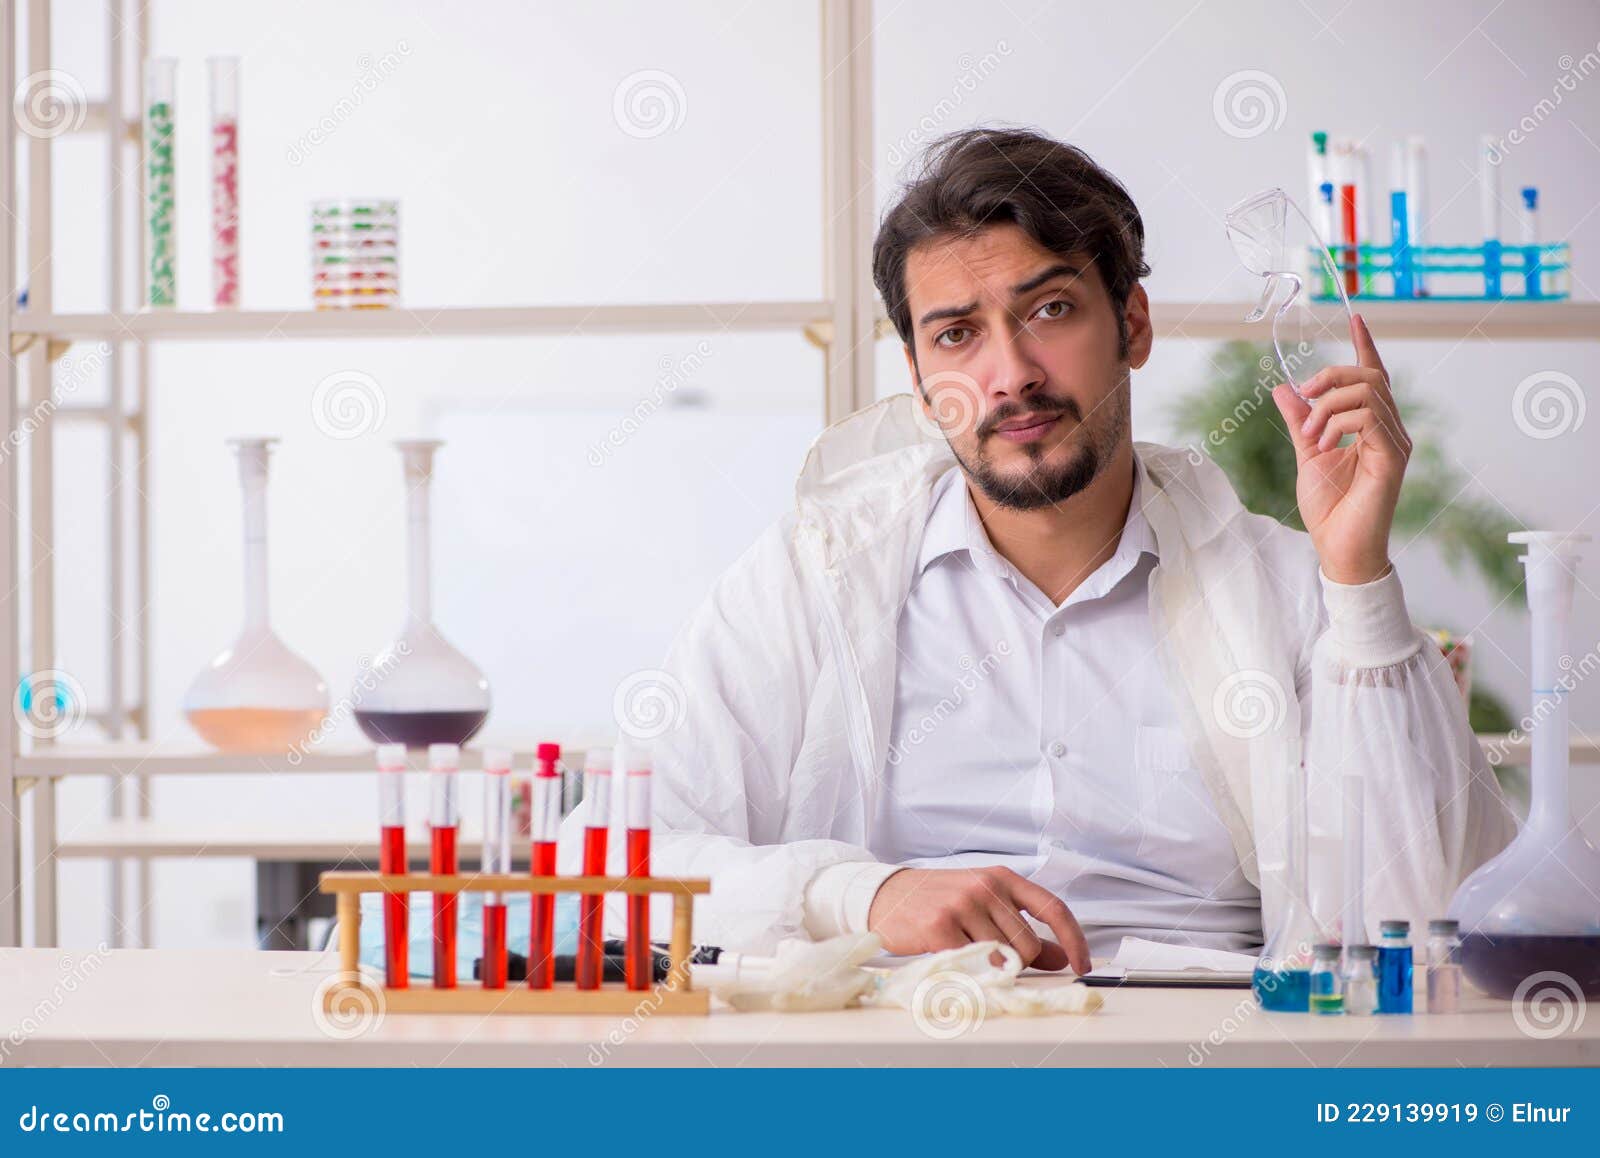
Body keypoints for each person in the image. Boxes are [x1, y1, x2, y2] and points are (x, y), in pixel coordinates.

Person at [565, 127, 1515, 973]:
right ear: (919, 378)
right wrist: (861, 895)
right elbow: (600, 869)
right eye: (957, 335)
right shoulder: (815, 575)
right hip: (905, 1056)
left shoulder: (1284, 585)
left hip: (1203, 1060)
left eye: (1050, 311)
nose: (1010, 374)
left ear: (1132, 325)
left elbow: (1438, 913)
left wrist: (1358, 578)